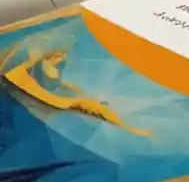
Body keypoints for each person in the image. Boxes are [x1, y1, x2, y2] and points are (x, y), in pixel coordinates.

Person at [0, 47, 151, 137]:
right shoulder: (25, 72)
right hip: (32, 94)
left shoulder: (39, 72)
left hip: (32, 93)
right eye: (58, 58)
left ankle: (128, 127)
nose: (61, 60)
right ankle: (130, 128)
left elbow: (58, 85)